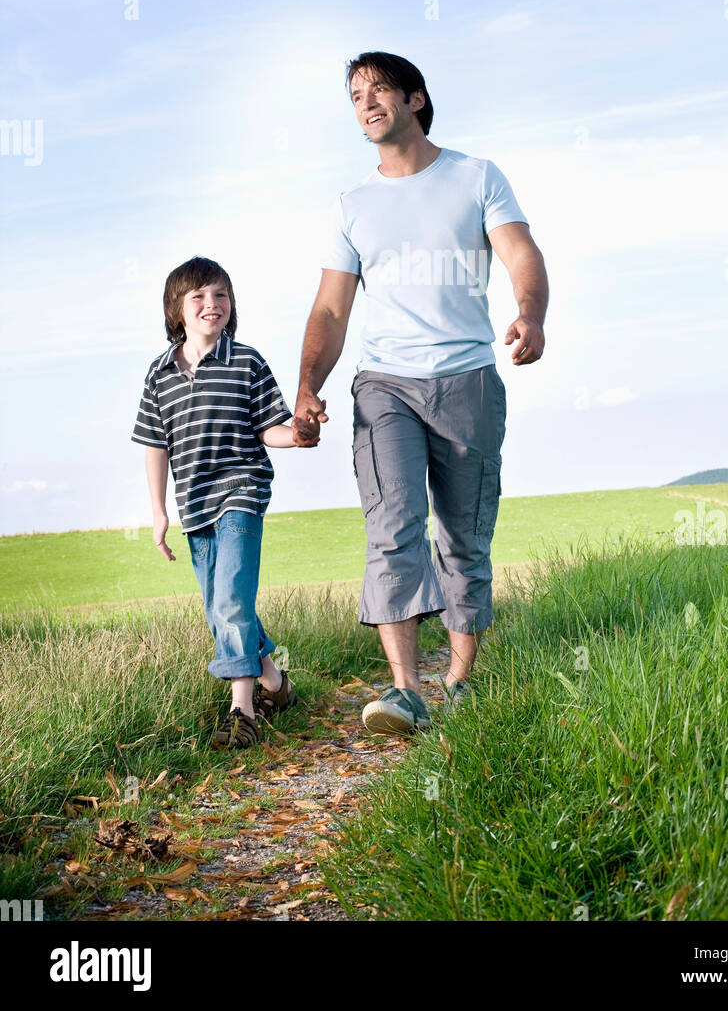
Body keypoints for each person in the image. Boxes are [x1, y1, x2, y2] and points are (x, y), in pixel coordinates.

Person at [292, 52, 549, 735]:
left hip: (467, 378)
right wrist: (308, 384)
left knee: (464, 537)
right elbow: (329, 311)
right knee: (393, 526)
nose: (366, 102)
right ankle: (406, 690)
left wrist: (531, 313)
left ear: (415, 98)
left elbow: (521, 253)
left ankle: (462, 677)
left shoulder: (475, 176)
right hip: (385, 387)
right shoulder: (351, 205)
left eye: (378, 89)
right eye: (354, 95)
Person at [131, 256, 316, 749]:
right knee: (220, 608)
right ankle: (276, 685)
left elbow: (269, 427)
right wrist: (158, 511)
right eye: (199, 297)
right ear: (178, 310)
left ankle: (243, 711)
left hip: (241, 493)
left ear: (231, 306)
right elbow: (156, 444)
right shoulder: (159, 374)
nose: (211, 304)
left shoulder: (247, 361)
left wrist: (296, 435)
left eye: (220, 296)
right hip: (194, 505)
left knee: (232, 599)